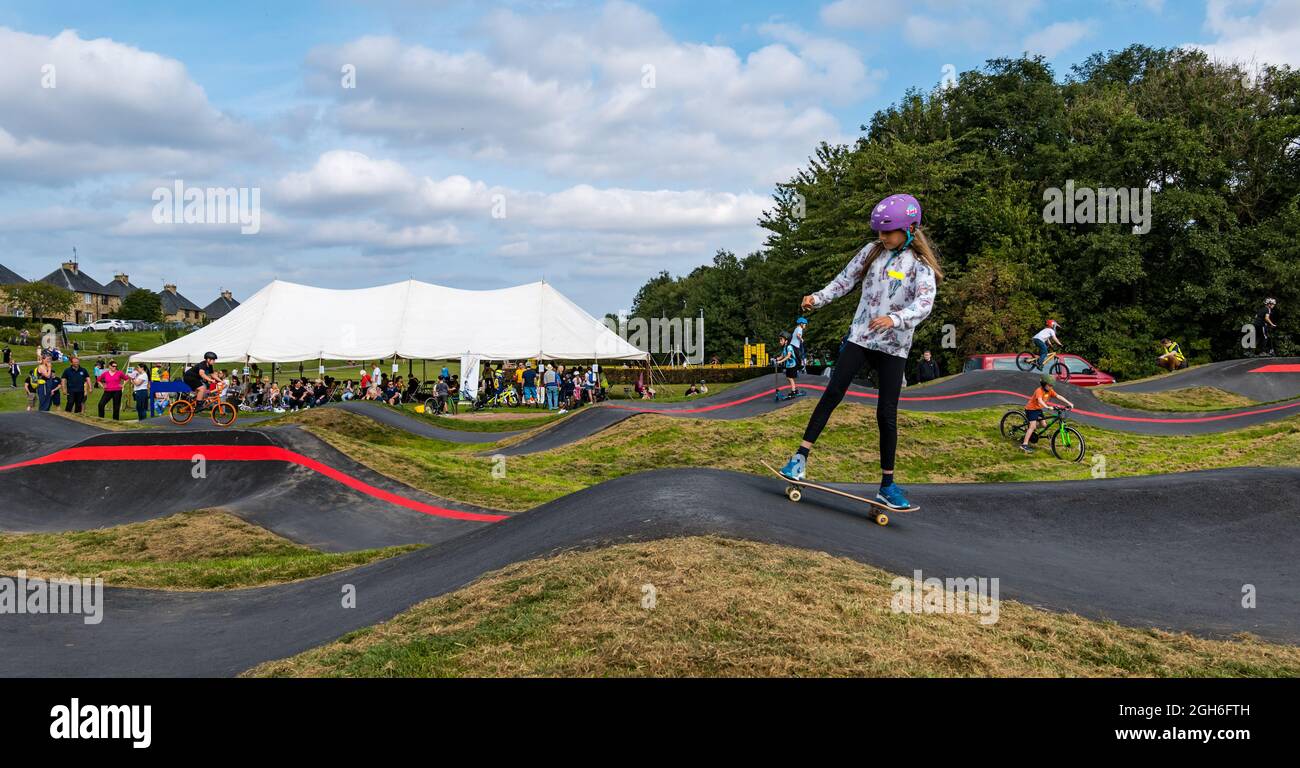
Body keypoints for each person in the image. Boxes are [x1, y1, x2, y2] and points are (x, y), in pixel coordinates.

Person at [778, 193, 940, 511]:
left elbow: (924, 304)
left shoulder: (920, 267)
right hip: (861, 338)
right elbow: (844, 281)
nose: (881, 237)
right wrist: (818, 297)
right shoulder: (870, 253)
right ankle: (799, 458)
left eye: (888, 232)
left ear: (909, 228)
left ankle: (887, 485)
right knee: (832, 392)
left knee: (886, 414)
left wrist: (894, 319)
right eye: (879, 231)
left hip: (895, 348)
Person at [1020, 375, 1075, 453]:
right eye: (1049, 385)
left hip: (1038, 409)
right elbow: (1039, 400)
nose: (1051, 387)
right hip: (1031, 409)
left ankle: (1028, 430)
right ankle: (1024, 445)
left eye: (1052, 385)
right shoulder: (1039, 390)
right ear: (1044, 384)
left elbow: (1058, 396)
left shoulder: (1050, 391)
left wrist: (1069, 403)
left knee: (1044, 425)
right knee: (1032, 426)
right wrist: (1047, 406)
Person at [772, 331, 801, 399]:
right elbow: (782, 356)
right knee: (789, 377)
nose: (780, 341)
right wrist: (777, 359)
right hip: (788, 365)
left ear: (786, 341)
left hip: (792, 365)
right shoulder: (785, 348)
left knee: (790, 378)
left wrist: (780, 361)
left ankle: (793, 391)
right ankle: (795, 390)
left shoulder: (789, 347)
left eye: (781, 339)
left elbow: (788, 356)